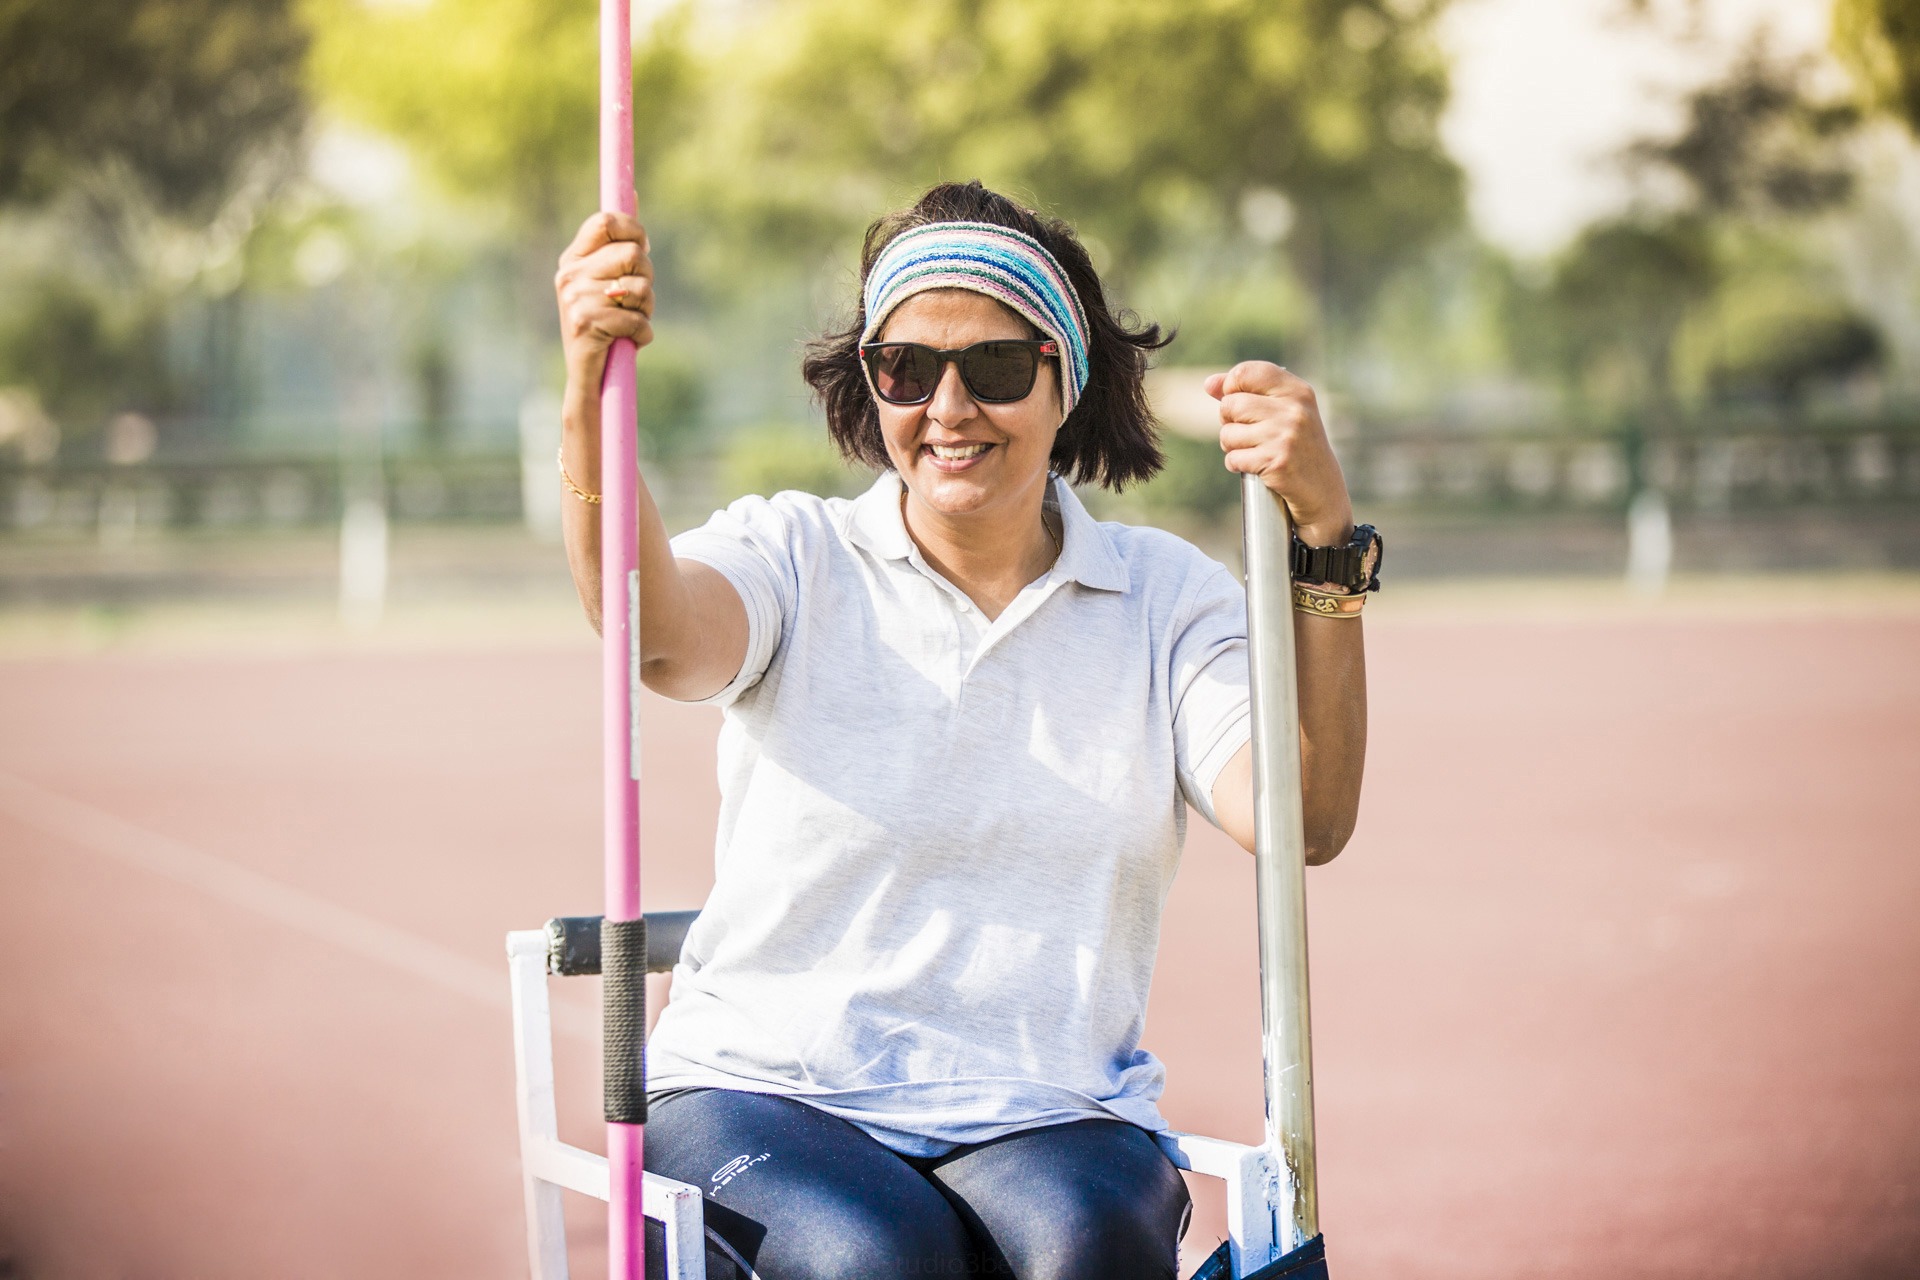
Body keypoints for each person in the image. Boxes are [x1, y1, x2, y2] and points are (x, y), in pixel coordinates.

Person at [552, 181, 1372, 1280]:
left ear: (1061, 380)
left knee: (1090, 1246)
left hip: (1049, 1102)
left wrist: (1322, 534)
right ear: (872, 382)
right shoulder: (798, 557)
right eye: (905, 368)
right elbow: (652, 633)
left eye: (993, 366)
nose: (948, 405)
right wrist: (585, 389)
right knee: (874, 1258)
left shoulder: (1164, 598)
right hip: (764, 1087)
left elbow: (1302, 815)